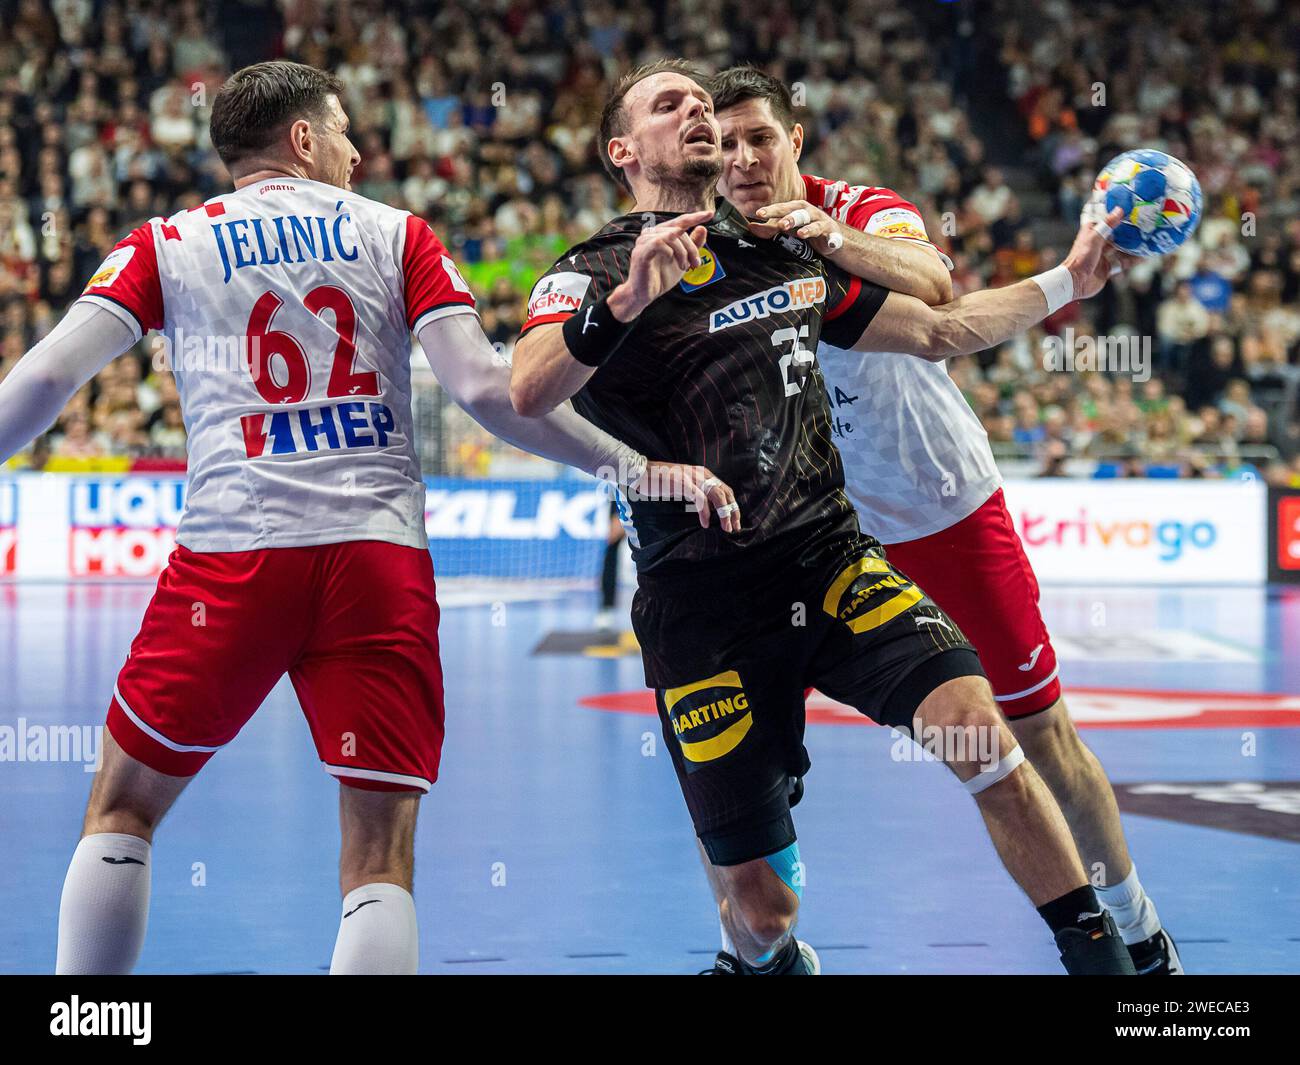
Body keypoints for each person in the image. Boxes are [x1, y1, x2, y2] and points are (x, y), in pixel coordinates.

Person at [0, 60, 733, 976]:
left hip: (235, 555)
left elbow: (47, 378)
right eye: (342, 131)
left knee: (122, 807)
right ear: (303, 139)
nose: (356, 150)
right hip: (377, 560)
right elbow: (486, 391)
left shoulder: (167, 242)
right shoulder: (398, 234)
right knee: (379, 859)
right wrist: (638, 469)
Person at [510, 59, 1135, 975]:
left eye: (703, 103)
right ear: (622, 149)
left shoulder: (777, 252)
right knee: (764, 910)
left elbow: (934, 326)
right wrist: (631, 299)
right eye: (668, 103)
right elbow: (530, 389)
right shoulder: (589, 271)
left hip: (830, 560)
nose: (697, 113)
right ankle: (761, 958)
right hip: (703, 606)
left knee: (983, 736)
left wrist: (1067, 283)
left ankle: (1109, 965)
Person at [710, 65, 1180, 975]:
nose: (742, 160)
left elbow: (933, 283)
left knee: (1037, 731)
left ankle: (1136, 925)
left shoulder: (858, 205)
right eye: (724, 144)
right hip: (818, 529)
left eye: (760, 138)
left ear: (794, 143)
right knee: (747, 747)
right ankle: (761, 947)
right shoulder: (713, 245)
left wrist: (831, 235)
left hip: (943, 506)